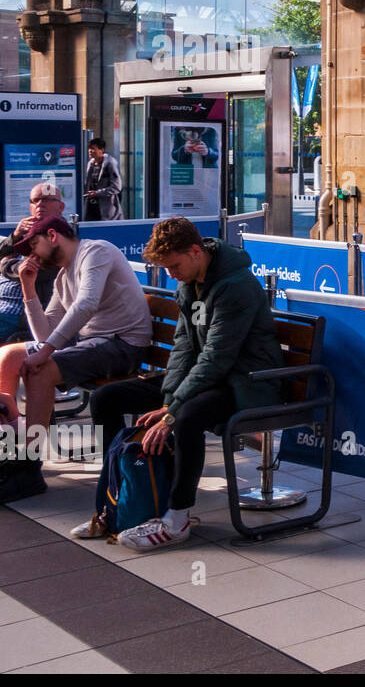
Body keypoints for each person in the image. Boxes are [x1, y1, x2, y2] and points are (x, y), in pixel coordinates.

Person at [75, 217, 286, 550]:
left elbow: (217, 358)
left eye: (174, 266)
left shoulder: (236, 286)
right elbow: (185, 346)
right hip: (208, 377)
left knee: (187, 418)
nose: (171, 274)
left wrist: (171, 410)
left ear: (195, 251)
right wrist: (168, 399)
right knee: (106, 399)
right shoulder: (190, 284)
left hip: (247, 382)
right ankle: (117, 501)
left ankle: (177, 518)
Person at [0, 216, 152, 502]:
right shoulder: (62, 277)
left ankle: (28, 469)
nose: (31, 255)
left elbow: (87, 303)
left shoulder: (96, 251)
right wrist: (28, 289)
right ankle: (22, 462)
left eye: (34, 244)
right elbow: (45, 333)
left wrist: (45, 352)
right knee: (28, 363)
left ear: (53, 235)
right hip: (99, 344)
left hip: (124, 345)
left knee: (40, 370)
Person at [0, 183, 66, 343]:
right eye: (35, 201)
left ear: (61, 207)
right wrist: (15, 236)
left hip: (19, 310)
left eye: (46, 200)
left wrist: (5, 265)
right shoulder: (27, 230)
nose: (40, 205)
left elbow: (33, 270)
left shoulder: (62, 235)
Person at [83, 137, 123, 221]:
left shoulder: (110, 163)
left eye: (93, 148)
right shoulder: (90, 164)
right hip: (90, 208)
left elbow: (116, 187)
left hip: (106, 209)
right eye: (89, 148)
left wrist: (97, 193)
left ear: (101, 150)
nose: (90, 151)